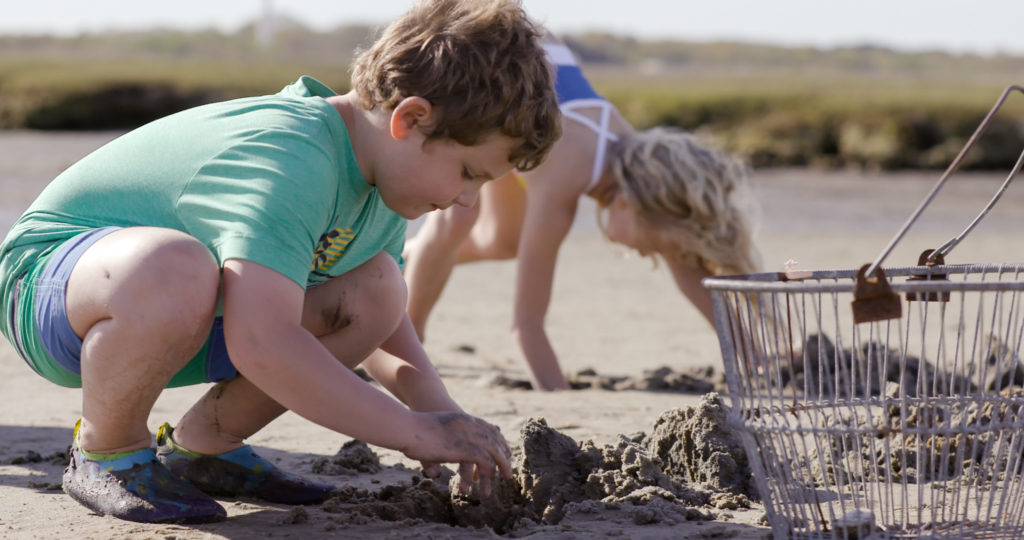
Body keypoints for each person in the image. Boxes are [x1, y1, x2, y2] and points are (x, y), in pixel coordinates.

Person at [0, 0, 561, 524]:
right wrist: (408, 432)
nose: (467, 199)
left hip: (183, 313)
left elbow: (384, 330)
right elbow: (263, 343)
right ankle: (111, 450)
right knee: (175, 265)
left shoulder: (384, 180)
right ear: (410, 120)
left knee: (378, 288)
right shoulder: (293, 157)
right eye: (468, 174)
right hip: (53, 289)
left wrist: (440, 416)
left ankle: (203, 450)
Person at [403, 32, 760, 391]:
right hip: (473, 54)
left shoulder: (644, 164)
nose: (641, 254)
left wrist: (756, 361)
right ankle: (406, 342)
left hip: (522, 79)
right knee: (458, 214)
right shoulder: (564, 179)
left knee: (505, 241)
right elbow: (526, 326)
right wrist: (559, 396)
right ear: (626, 203)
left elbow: (689, 271)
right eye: (649, 247)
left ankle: (403, 258)